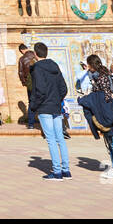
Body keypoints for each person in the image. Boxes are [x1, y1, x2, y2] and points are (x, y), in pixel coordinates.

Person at [78, 54, 113, 180]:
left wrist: (89, 99)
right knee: (110, 141)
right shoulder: (98, 75)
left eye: (88, 65)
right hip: (105, 110)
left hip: (107, 112)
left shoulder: (101, 76)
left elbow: (105, 95)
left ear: (92, 65)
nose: (87, 68)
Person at [29, 42, 71, 180]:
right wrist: (56, 99)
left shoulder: (37, 68)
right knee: (60, 139)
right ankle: (66, 170)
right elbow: (63, 88)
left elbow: (39, 89)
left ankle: (57, 172)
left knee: (51, 140)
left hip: (44, 107)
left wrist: (34, 105)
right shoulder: (55, 66)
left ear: (35, 54)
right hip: (56, 107)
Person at [17, 43, 38, 129]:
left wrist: (24, 82)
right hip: (40, 82)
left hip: (30, 83)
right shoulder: (35, 55)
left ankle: (31, 124)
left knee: (31, 102)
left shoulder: (22, 59)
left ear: (22, 50)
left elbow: (21, 72)